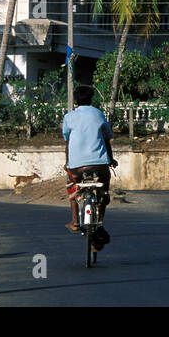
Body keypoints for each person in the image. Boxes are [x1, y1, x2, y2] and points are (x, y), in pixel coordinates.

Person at [63, 84, 117, 246]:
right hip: (99, 165)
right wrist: (111, 160)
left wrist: (67, 163)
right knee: (103, 190)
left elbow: (68, 141)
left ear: (76, 100)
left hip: (76, 167)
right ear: (91, 99)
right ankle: (99, 221)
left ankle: (74, 221)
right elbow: (107, 139)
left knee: (71, 186)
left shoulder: (69, 117)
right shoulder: (98, 114)